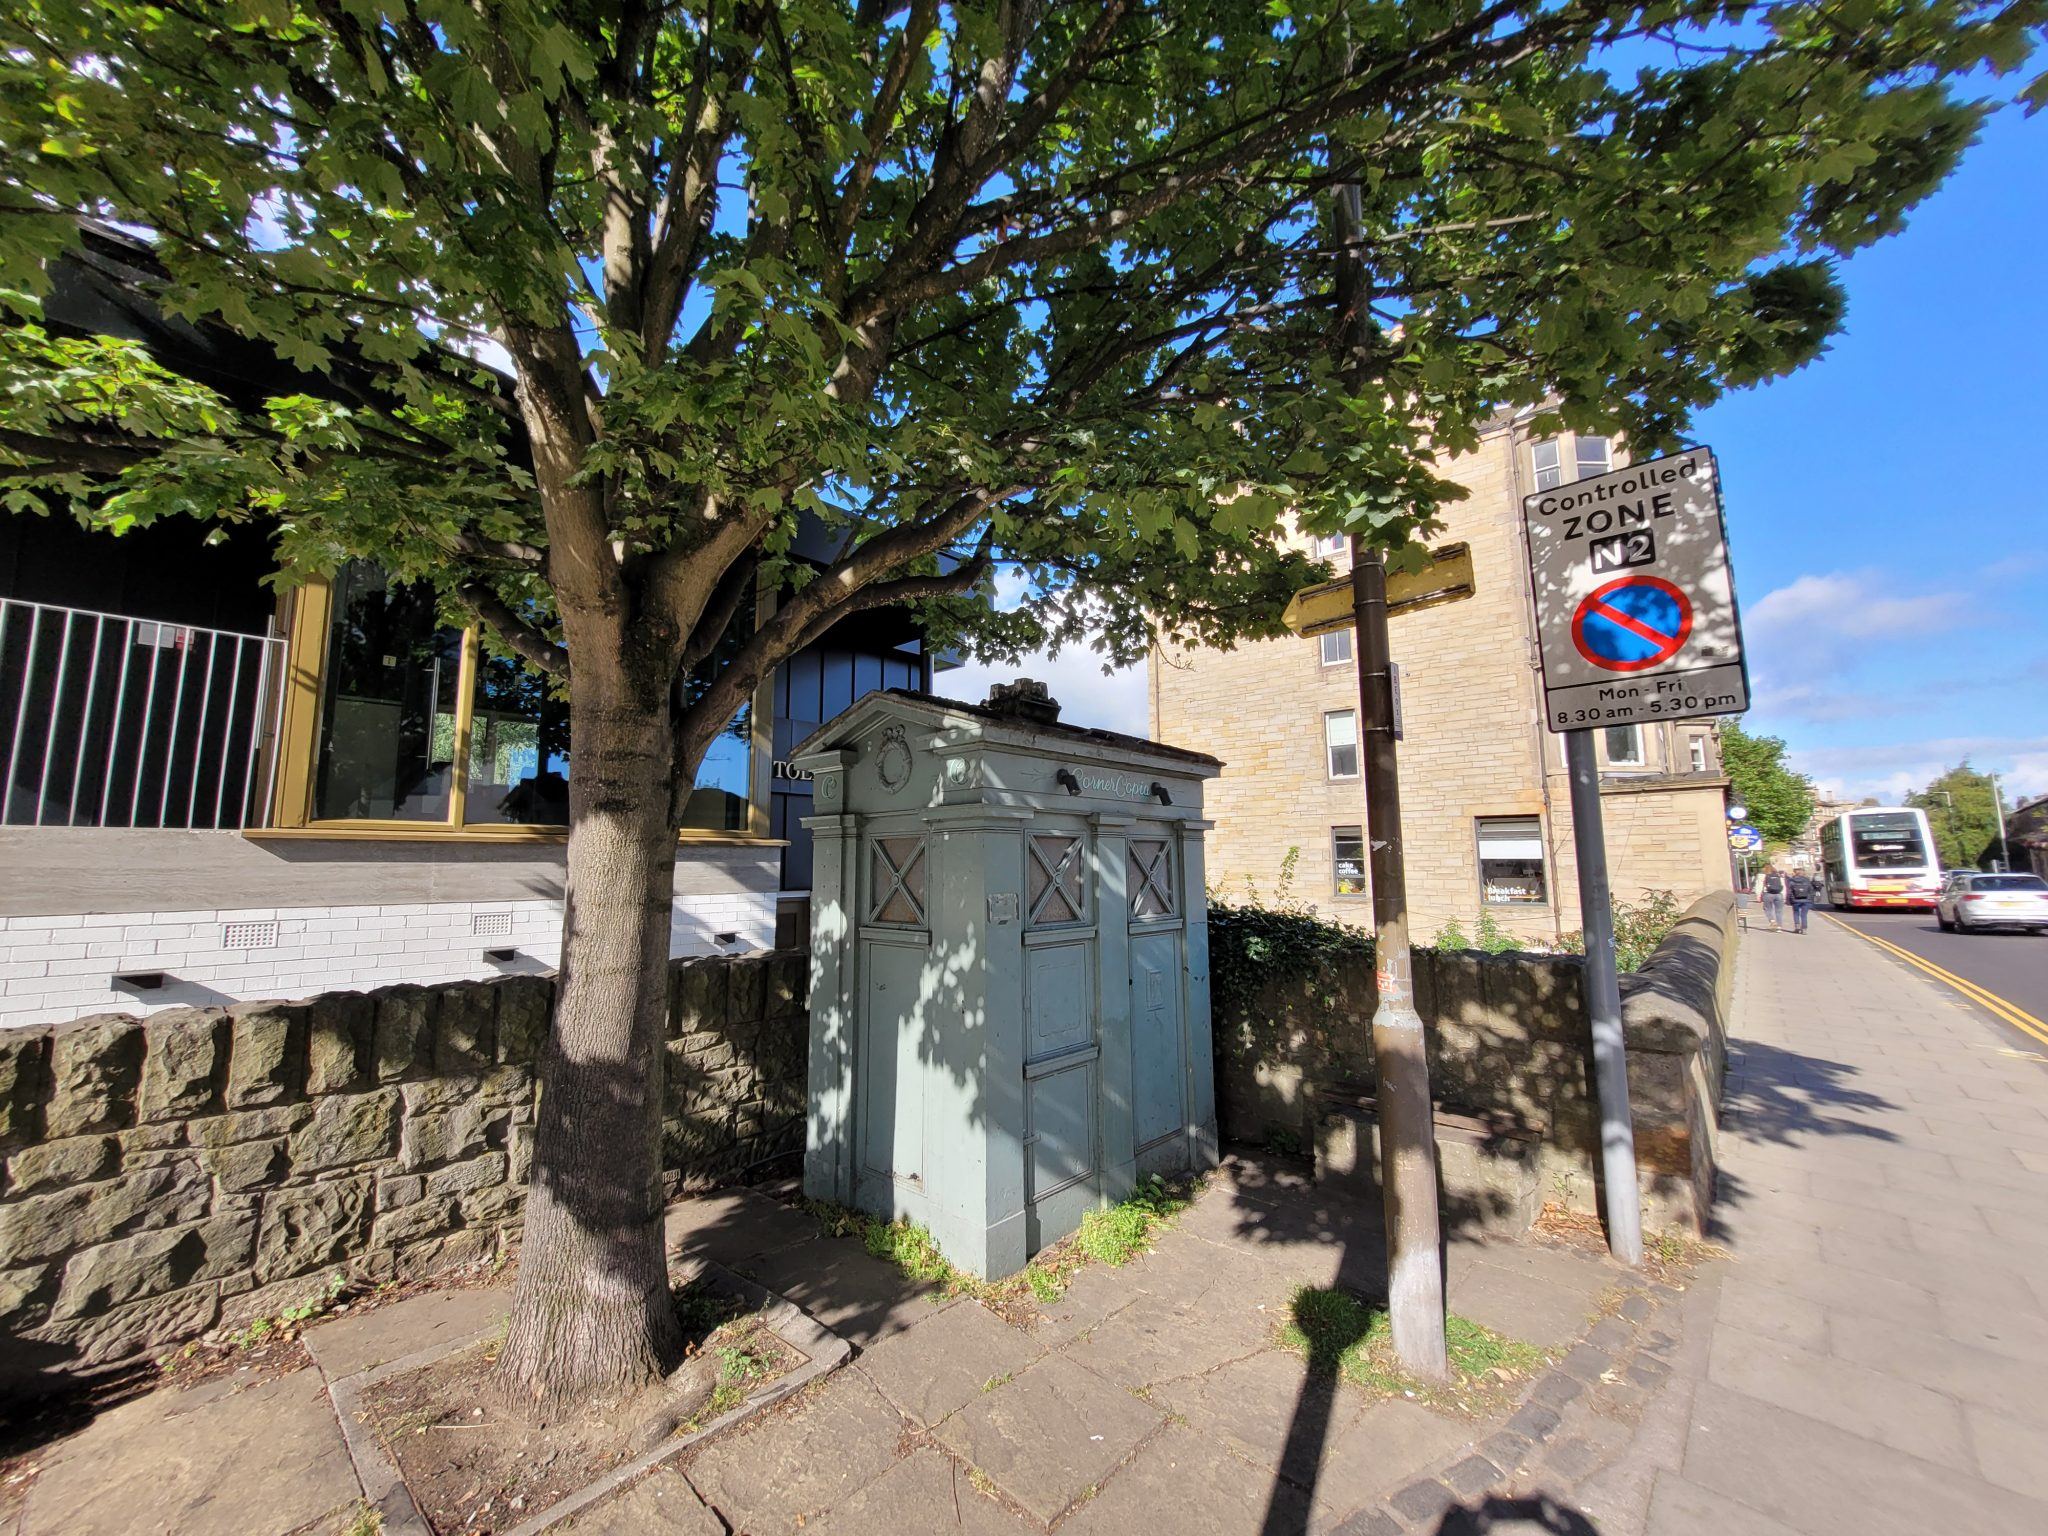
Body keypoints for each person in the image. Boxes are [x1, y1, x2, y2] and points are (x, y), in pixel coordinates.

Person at [1755, 863, 1786, 931]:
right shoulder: (1778, 875)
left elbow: (1759, 886)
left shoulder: (1761, 875)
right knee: (1779, 911)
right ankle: (1779, 927)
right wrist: (1784, 896)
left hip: (1768, 894)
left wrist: (1758, 895)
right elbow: (1783, 886)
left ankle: (1772, 920)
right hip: (1778, 894)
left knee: (1767, 909)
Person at [1786, 868, 1816, 934]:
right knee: (1804, 915)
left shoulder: (1792, 881)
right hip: (1806, 900)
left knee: (1796, 913)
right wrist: (1810, 900)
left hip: (1795, 900)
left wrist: (1790, 900)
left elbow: (1789, 892)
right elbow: (1811, 891)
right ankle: (1804, 929)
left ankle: (1797, 927)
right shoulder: (1807, 880)